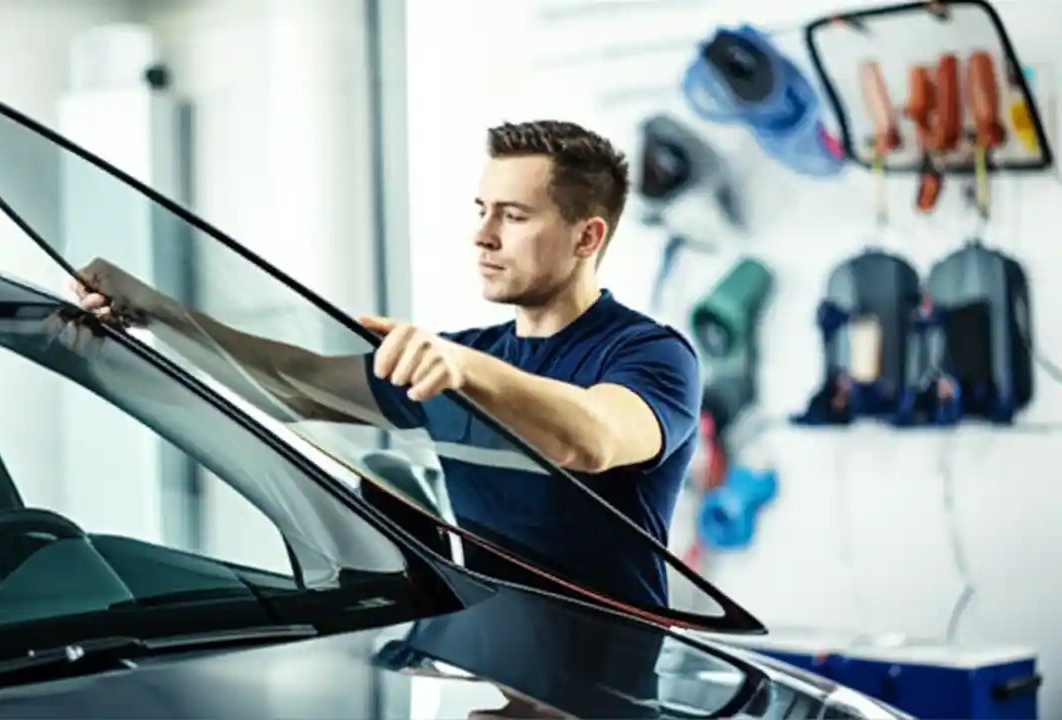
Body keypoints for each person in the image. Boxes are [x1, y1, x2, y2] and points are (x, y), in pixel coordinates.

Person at [72, 119, 702, 611]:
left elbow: (589, 439)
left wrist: (463, 370)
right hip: (494, 665)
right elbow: (296, 386)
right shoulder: (461, 356)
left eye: (513, 216)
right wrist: (157, 312)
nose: (482, 235)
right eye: (481, 209)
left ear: (587, 237)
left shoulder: (650, 355)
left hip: (611, 679)